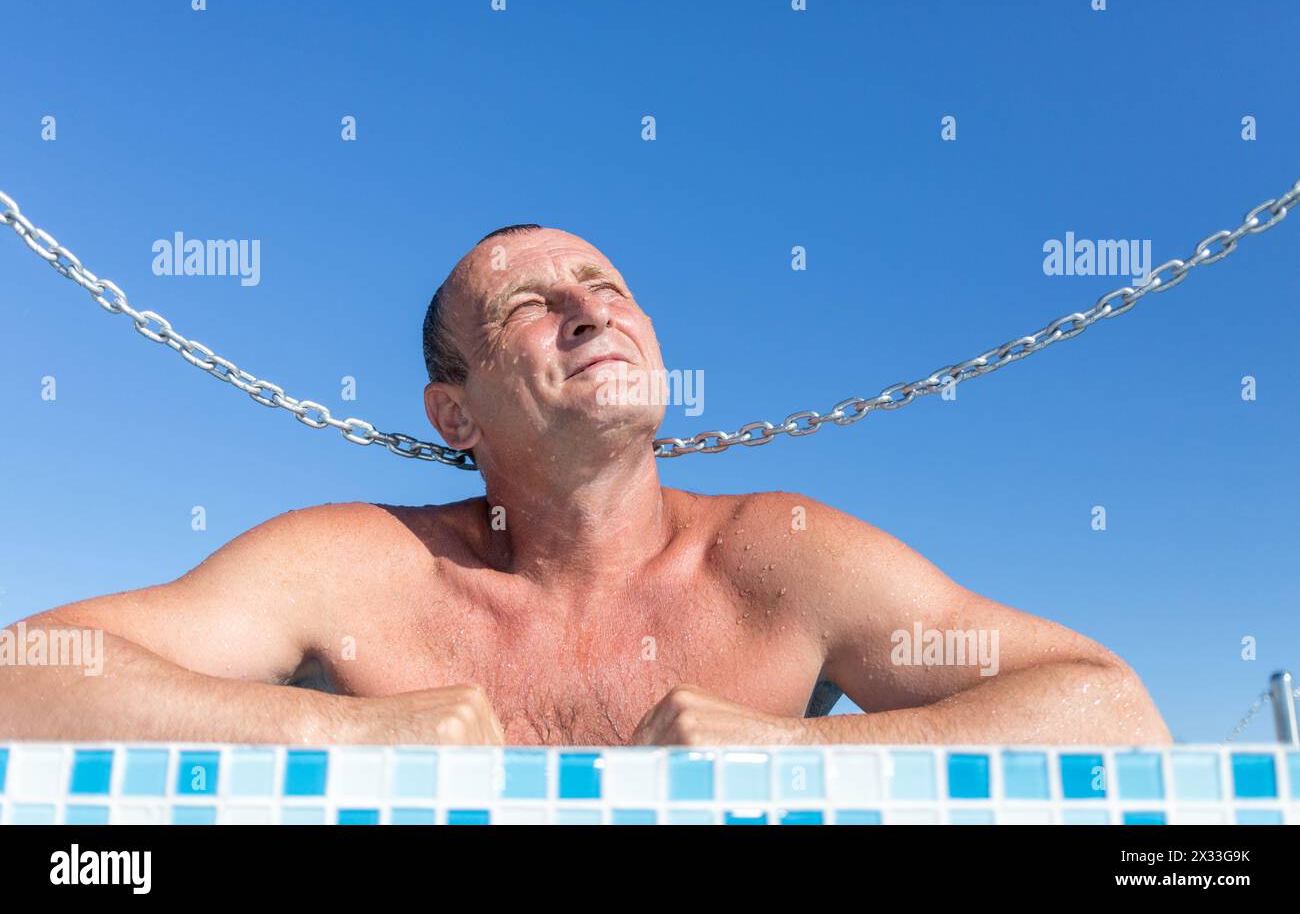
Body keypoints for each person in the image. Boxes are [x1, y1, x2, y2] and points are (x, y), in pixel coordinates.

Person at [0, 225, 1172, 746]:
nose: (587, 308)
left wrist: (798, 757)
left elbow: (1108, 709)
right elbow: (24, 673)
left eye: (605, 284)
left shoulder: (777, 555)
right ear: (454, 414)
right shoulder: (360, 566)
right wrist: (334, 734)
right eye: (527, 302)